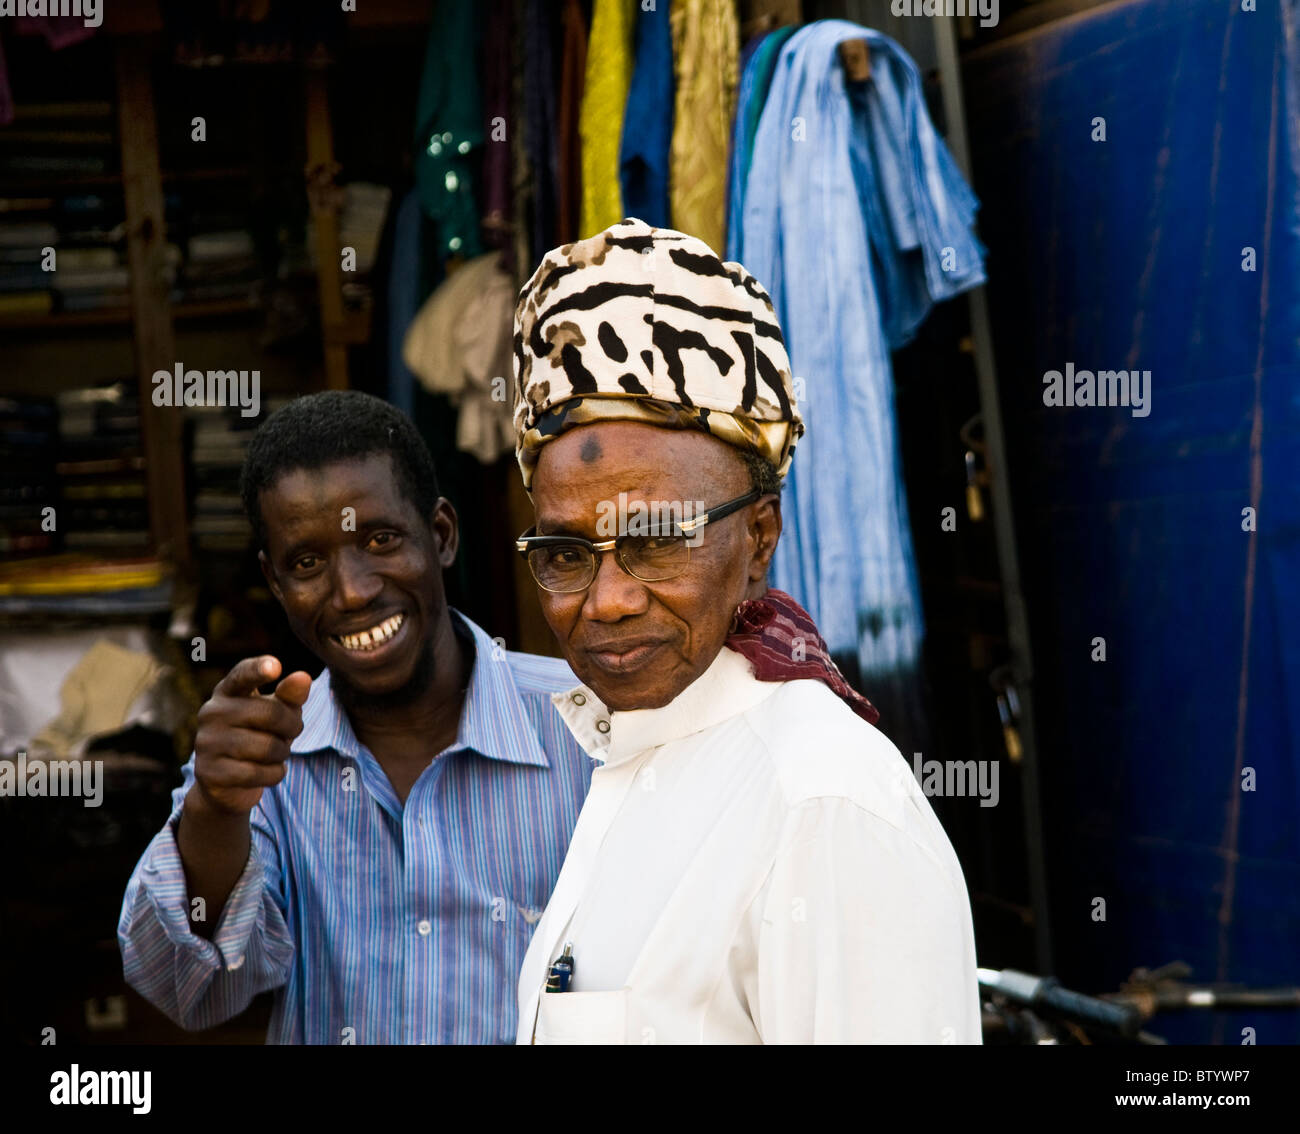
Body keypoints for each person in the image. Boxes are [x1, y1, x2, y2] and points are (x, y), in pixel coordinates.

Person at [511, 218, 981, 1044]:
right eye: (566, 553)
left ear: (759, 538)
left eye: (658, 539)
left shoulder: (823, 802)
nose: (609, 598)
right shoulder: (630, 752)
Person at [118, 391, 592, 1044]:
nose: (352, 591)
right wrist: (212, 811)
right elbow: (186, 989)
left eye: (380, 539)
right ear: (276, 583)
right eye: (308, 563)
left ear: (442, 536)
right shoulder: (256, 764)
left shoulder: (591, 731)